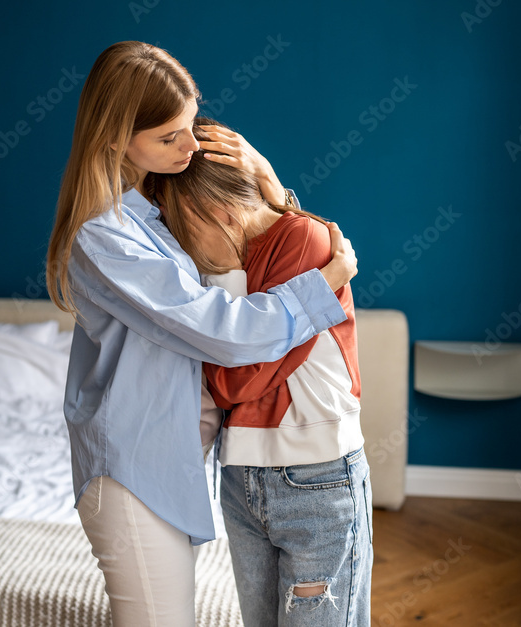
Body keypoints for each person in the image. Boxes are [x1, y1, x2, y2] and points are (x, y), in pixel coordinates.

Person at [45, 42, 358, 627]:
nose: (190, 147)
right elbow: (225, 329)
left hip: (169, 464)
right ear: (115, 138)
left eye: (190, 126)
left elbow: (254, 254)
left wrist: (271, 183)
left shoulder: (154, 216)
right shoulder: (105, 237)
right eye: (169, 137)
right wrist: (330, 282)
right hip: (133, 471)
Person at [145, 118, 372, 627]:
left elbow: (234, 380)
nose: (182, 250)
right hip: (242, 480)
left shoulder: (308, 239)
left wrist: (226, 269)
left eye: (184, 230)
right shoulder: (238, 264)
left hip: (317, 478)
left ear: (219, 210)